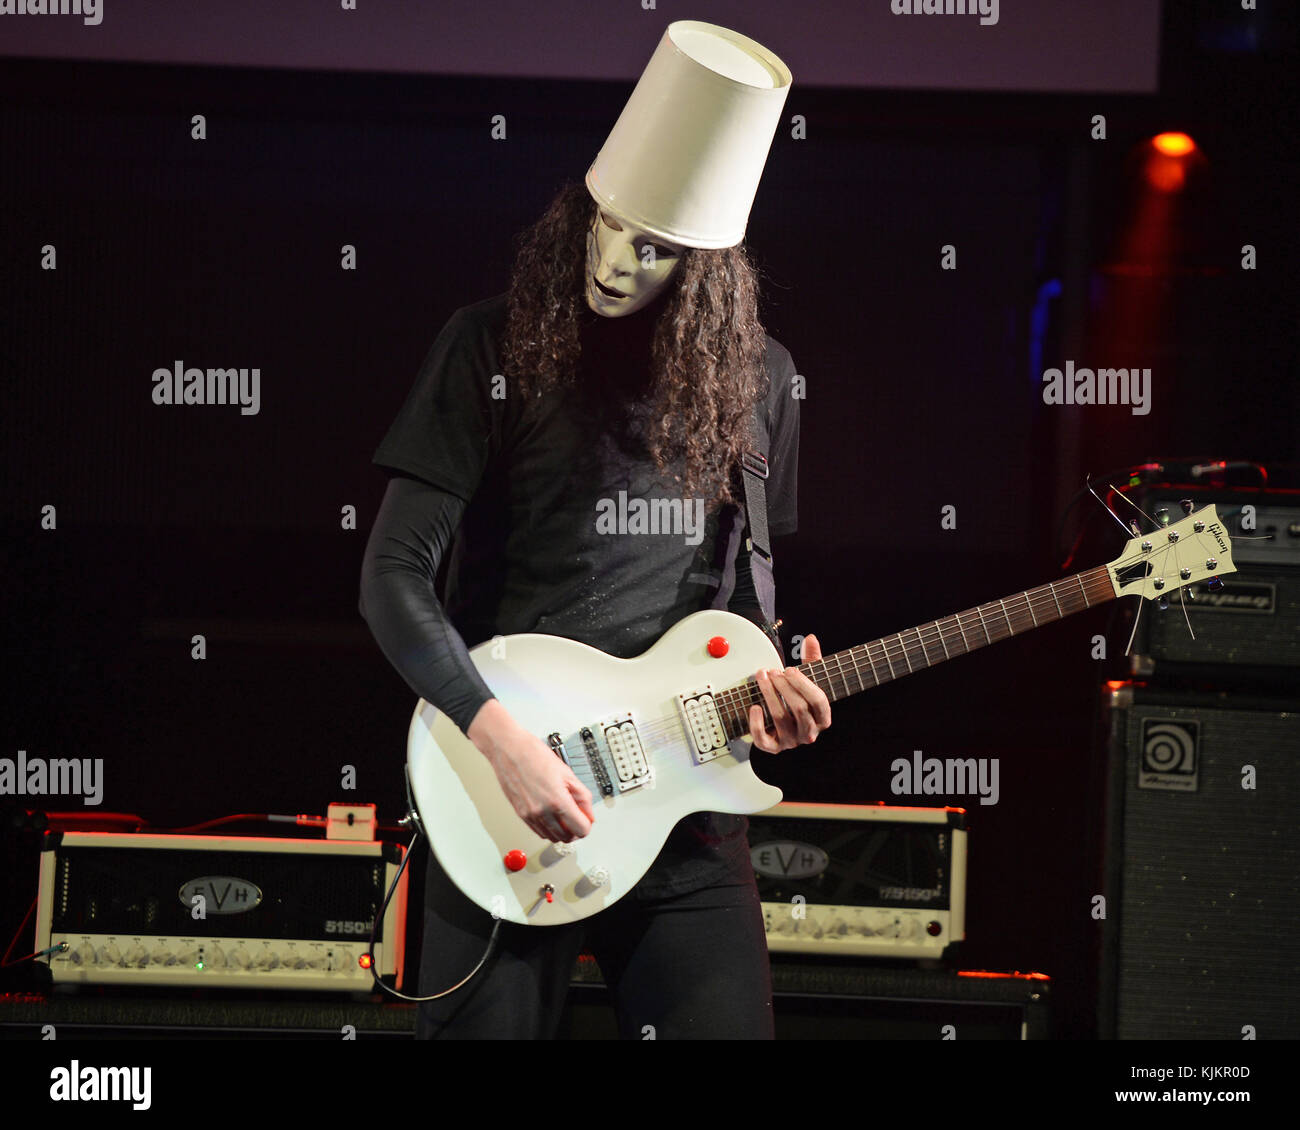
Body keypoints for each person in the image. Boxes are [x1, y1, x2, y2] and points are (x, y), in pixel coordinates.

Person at [359, 21, 830, 1039]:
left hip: (689, 812)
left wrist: (785, 676)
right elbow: (391, 573)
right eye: (604, 225)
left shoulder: (763, 381)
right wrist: (501, 740)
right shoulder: (491, 346)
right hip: (508, 790)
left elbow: (752, 597)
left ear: (704, 269)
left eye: (654, 249)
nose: (615, 262)